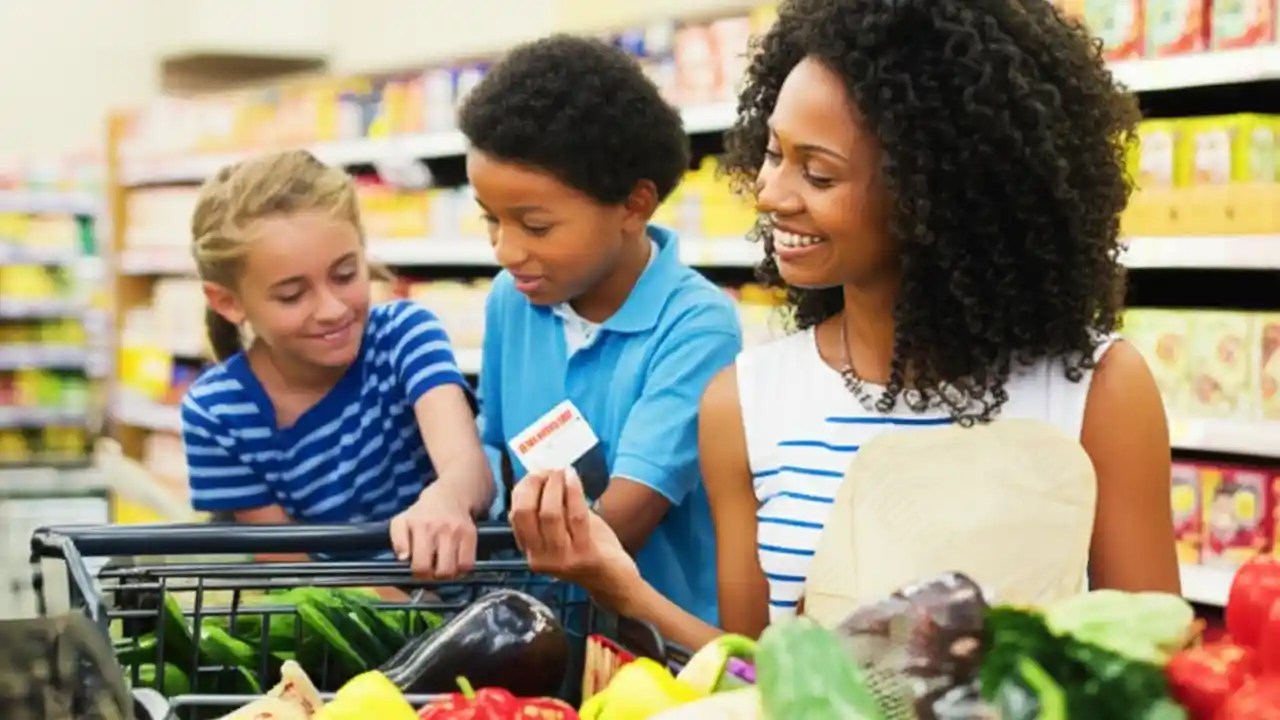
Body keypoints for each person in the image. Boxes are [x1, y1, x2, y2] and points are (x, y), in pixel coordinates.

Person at [509, 0, 1181, 649]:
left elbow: (1153, 670)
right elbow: (759, 678)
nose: (771, 194)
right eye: (774, 154)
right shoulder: (744, 404)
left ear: (933, 191)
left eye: (818, 173)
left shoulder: (1096, 391)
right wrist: (620, 587)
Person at [459, 34, 743, 624]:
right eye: (491, 219)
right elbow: (493, 445)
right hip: (538, 636)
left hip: (659, 648)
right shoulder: (511, 302)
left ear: (634, 206)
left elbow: (621, 524)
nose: (506, 250)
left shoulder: (696, 325)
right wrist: (453, 494)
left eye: (535, 226)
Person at [180, 150, 494, 578]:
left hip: (471, 607)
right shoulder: (216, 413)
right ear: (228, 302)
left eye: (345, 275)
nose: (331, 309)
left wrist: (449, 499)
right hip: (341, 626)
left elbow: (469, 471)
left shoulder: (403, 337)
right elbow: (292, 570)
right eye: (292, 295)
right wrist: (406, 621)